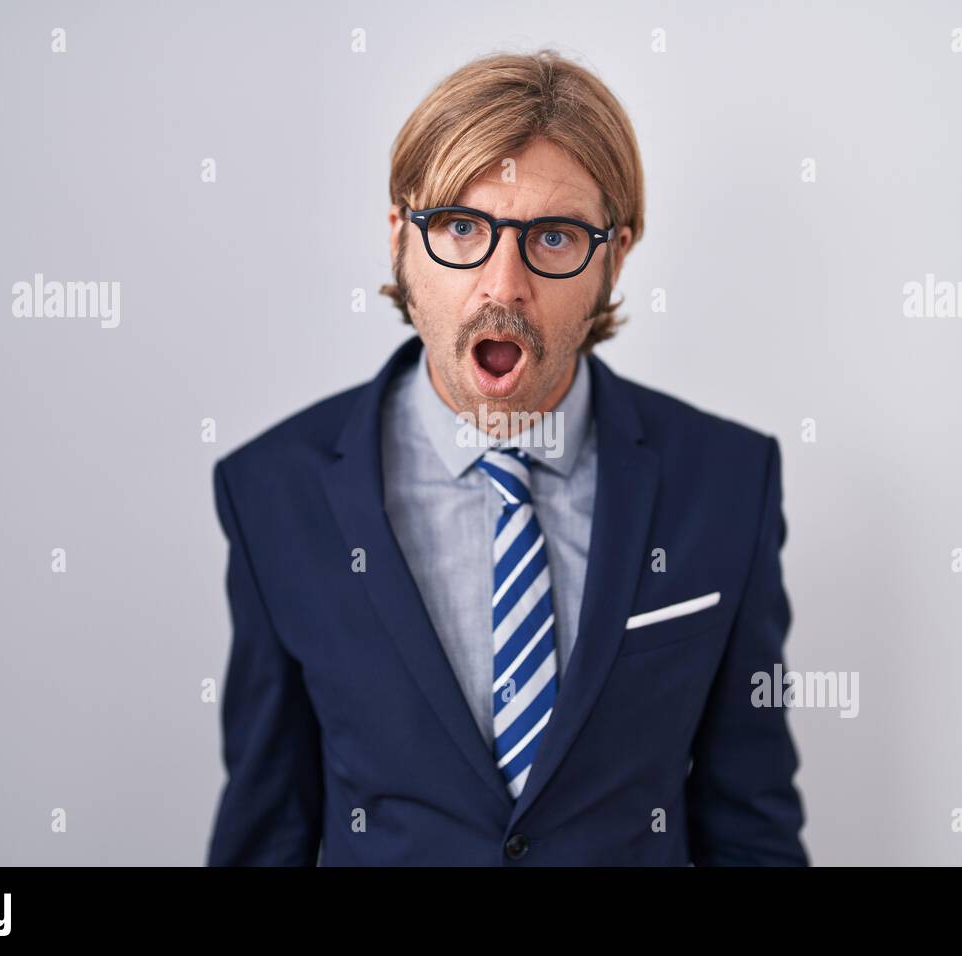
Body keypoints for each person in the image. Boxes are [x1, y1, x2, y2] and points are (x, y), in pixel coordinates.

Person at [206, 49, 807, 866]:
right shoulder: (274, 492)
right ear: (400, 241)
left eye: (553, 237)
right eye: (462, 228)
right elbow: (266, 830)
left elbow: (751, 831)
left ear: (614, 257)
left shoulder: (727, 483)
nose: (503, 284)